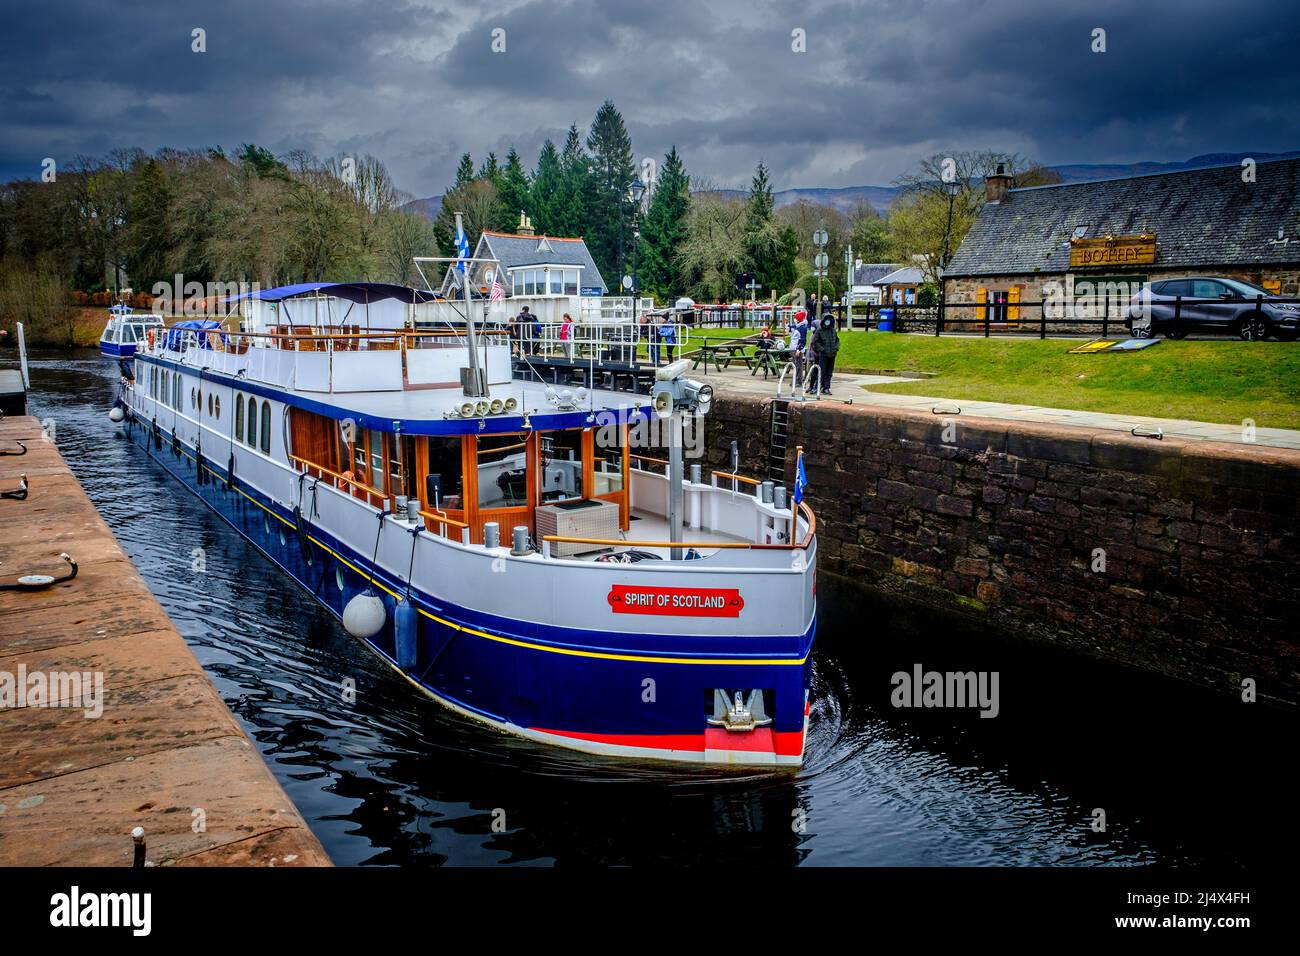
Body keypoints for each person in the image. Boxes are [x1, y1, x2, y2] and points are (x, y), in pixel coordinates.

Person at [812, 312, 839, 396]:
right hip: (824, 354)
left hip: (832, 354)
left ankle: (826, 387)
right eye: (826, 319)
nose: (828, 321)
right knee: (821, 371)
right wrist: (822, 349)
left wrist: (836, 348)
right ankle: (818, 386)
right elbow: (815, 342)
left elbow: (837, 340)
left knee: (829, 372)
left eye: (829, 320)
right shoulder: (819, 330)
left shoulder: (833, 330)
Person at [788, 310, 809, 388]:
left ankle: (798, 381)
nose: (795, 319)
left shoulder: (802, 328)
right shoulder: (798, 326)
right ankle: (796, 380)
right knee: (795, 365)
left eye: (796, 318)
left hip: (796, 349)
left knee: (798, 366)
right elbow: (791, 329)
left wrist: (798, 349)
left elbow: (802, 340)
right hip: (793, 348)